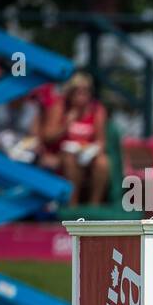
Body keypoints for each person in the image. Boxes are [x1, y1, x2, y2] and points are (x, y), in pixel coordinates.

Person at [55, 73, 109, 206]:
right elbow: (50, 137)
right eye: (77, 92)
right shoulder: (62, 107)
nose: (82, 96)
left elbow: (101, 140)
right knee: (70, 160)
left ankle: (94, 205)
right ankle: (72, 204)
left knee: (102, 162)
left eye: (85, 92)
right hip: (64, 154)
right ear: (70, 94)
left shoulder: (97, 110)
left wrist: (93, 151)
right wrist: (65, 125)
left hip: (88, 153)